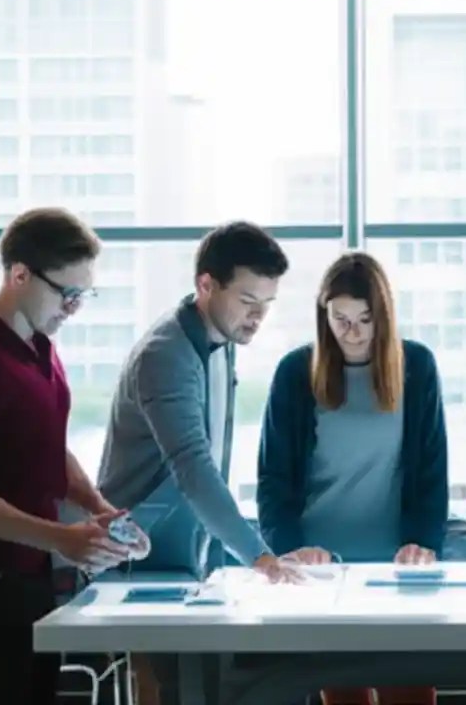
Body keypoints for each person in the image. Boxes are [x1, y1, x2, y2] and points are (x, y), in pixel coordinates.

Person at [0, 207, 134, 705]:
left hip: (28, 571)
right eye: (68, 293)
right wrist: (60, 536)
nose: (75, 308)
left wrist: (96, 505)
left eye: (85, 294)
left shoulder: (40, 345)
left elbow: (44, 441)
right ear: (19, 274)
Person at [96, 222, 299, 705]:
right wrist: (259, 555)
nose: (257, 318)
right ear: (205, 285)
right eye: (248, 302)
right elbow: (192, 466)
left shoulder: (219, 342)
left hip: (184, 558)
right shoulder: (166, 353)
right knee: (167, 690)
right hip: (139, 560)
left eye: (267, 305)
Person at [258, 251, 448, 705]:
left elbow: (431, 471)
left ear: (383, 316)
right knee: (344, 697)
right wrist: (290, 549)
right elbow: (273, 479)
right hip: (323, 573)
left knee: (412, 695)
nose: (353, 333)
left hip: (398, 569)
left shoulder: (417, 366)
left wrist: (424, 541)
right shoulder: (295, 372)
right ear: (323, 315)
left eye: (364, 319)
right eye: (340, 319)